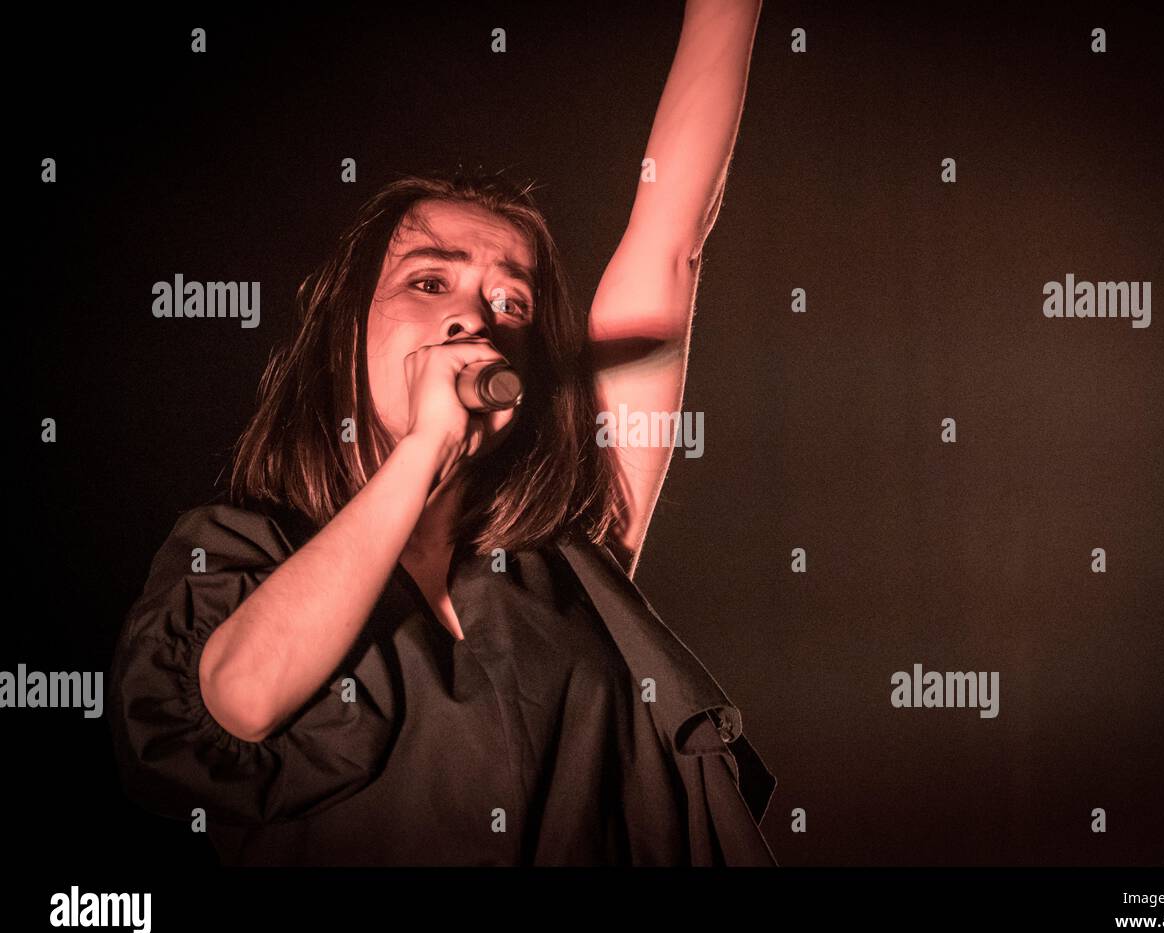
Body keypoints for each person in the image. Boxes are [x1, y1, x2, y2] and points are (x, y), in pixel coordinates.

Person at [108, 0, 775, 865]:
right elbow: (238, 702)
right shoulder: (240, 551)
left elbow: (672, 237)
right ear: (349, 330)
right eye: (430, 283)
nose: (474, 317)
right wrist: (424, 449)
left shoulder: (576, 553)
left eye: (511, 302)